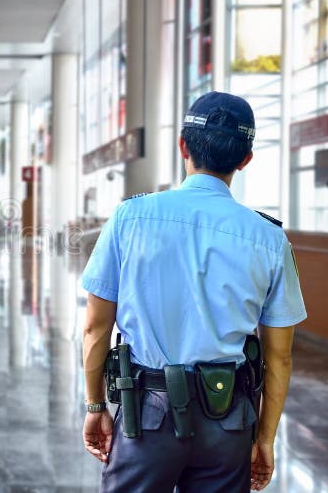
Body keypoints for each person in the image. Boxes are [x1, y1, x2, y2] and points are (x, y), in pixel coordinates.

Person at [80, 92, 307, 492]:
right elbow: (280, 356)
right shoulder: (269, 238)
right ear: (245, 160)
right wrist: (265, 439)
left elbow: (95, 331)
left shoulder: (129, 217)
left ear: (183, 145)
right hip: (228, 421)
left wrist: (96, 405)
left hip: (144, 417)